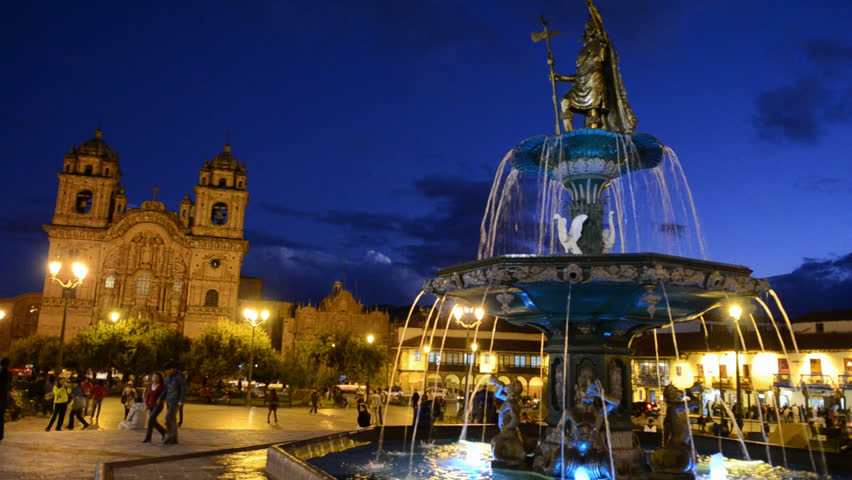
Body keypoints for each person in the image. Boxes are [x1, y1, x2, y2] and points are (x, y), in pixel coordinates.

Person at [160, 362, 186, 444]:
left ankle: (170, 436)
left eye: (167, 371)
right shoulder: (168, 378)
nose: (166, 373)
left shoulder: (179, 376)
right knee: (172, 419)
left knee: (168, 417)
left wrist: (181, 400)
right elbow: (166, 389)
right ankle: (173, 438)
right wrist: (160, 398)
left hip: (176, 400)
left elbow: (183, 388)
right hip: (169, 400)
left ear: (171, 369)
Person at [143, 372, 166, 442]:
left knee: (150, 420)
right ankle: (164, 432)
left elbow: (164, 395)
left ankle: (148, 437)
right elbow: (147, 396)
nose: (155, 378)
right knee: (152, 421)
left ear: (160, 378)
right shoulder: (149, 385)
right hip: (150, 405)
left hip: (158, 406)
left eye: (157, 377)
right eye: (154, 377)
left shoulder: (162, 386)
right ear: (152, 378)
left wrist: (161, 400)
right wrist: (146, 405)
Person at [0, 358, 11, 441]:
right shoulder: (8, 374)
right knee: (1, 417)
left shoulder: (1, 372)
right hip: (3, 398)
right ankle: (1, 434)